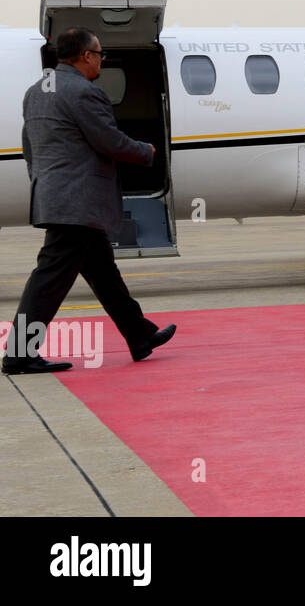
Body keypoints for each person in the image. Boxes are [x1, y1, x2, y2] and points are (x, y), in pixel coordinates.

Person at [3, 28, 176, 374]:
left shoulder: (36, 91)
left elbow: (29, 146)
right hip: (78, 201)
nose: (101, 61)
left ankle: (139, 335)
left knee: (103, 272)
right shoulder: (84, 91)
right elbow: (108, 140)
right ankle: (19, 355)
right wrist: (145, 151)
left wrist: (45, 182)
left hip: (56, 195)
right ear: (86, 55)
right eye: (100, 55)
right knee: (49, 278)